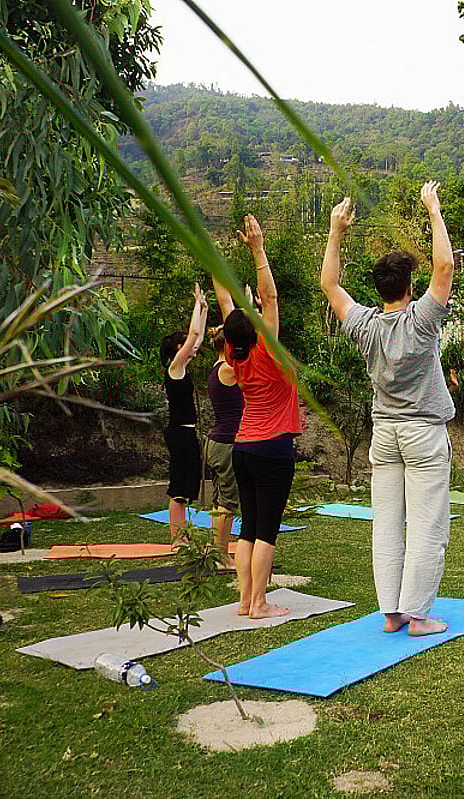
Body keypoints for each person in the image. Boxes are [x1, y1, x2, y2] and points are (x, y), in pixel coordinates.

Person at [320, 182, 455, 637]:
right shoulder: (421, 320)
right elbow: (446, 265)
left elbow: (330, 284)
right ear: (409, 287)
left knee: (387, 525)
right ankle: (417, 616)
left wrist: (337, 230)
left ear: (379, 288)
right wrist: (432, 208)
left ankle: (391, 613)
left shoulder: (364, 324)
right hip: (421, 434)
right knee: (426, 526)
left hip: (385, 436)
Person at [214, 215, 302, 619]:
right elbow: (271, 298)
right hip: (272, 449)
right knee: (266, 529)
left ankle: (245, 601)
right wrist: (257, 249)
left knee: (248, 528)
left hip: (243, 449)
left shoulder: (235, 355)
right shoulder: (267, 351)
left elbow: (227, 308)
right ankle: (260, 603)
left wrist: (215, 263)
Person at [160, 283, 208, 542]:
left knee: (187, 485)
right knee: (178, 489)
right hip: (179, 433)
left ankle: (182, 534)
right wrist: (196, 306)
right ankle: (176, 538)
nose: (190, 348)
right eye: (183, 345)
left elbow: (197, 339)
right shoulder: (174, 368)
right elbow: (194, 335)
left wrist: (204, 309)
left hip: (186, 433)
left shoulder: (182, 367)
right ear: (176, 349)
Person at [204, 326, 243, 553]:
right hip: (227, 443)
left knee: (219, 500)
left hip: (217, 442)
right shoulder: (228, 369)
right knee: (228, 502)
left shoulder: (216, 368)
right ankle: (220, 554)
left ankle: (215, 550)